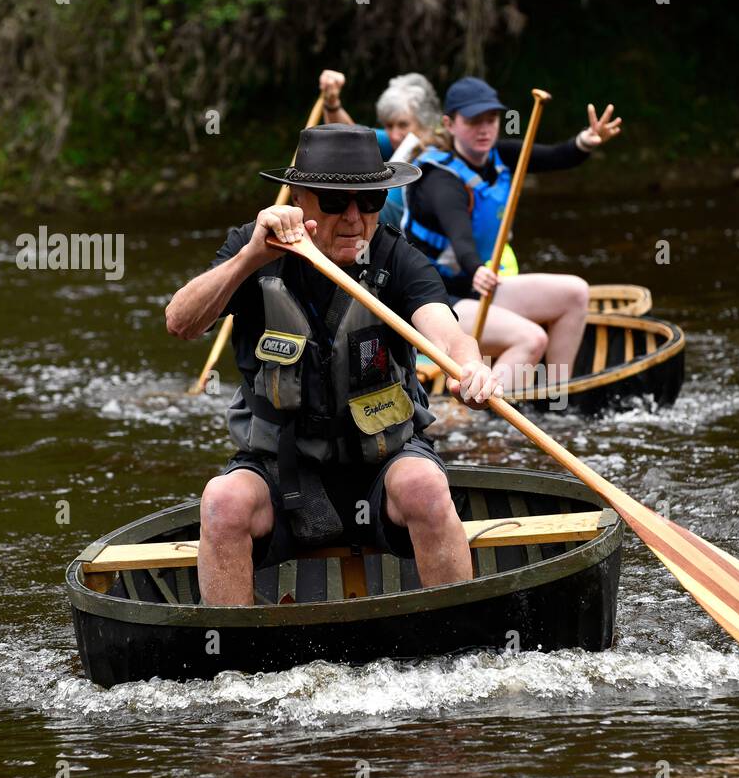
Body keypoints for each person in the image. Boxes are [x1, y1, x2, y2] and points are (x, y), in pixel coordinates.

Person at [165, 124, 501, 606]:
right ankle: (232, 663)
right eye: (334, 200)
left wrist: (469, 366)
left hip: (381, 468)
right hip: (282, 472)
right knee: (222, 503)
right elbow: (180, 322)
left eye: (369, 201)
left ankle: (458, 639)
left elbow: (445, 330)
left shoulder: (396, 257)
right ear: (299, 198)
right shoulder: (253, 251)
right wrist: (249, 258)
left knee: (427, 485)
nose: (353, 218)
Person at [401, 76, 622, 391]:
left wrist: (587, 140)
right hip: (439, 300)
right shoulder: (440, 180)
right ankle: (483, 407)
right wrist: (476, 268)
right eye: (474, 121)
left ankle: (556, 400)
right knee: (532, 338)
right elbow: (460, 237)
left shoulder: (499, 157)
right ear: (449, 124)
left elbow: (557, 155)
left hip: (476, 289)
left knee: (575, 293)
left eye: (491, 119)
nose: (485, 129)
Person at [319, 69, 441, 227]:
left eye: (403, 125)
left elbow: (377, 211)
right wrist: (332, 104)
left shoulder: (434, 157)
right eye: (389, 126)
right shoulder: (399, 141)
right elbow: (350, 136)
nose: (395, 135)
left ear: (425, 121)